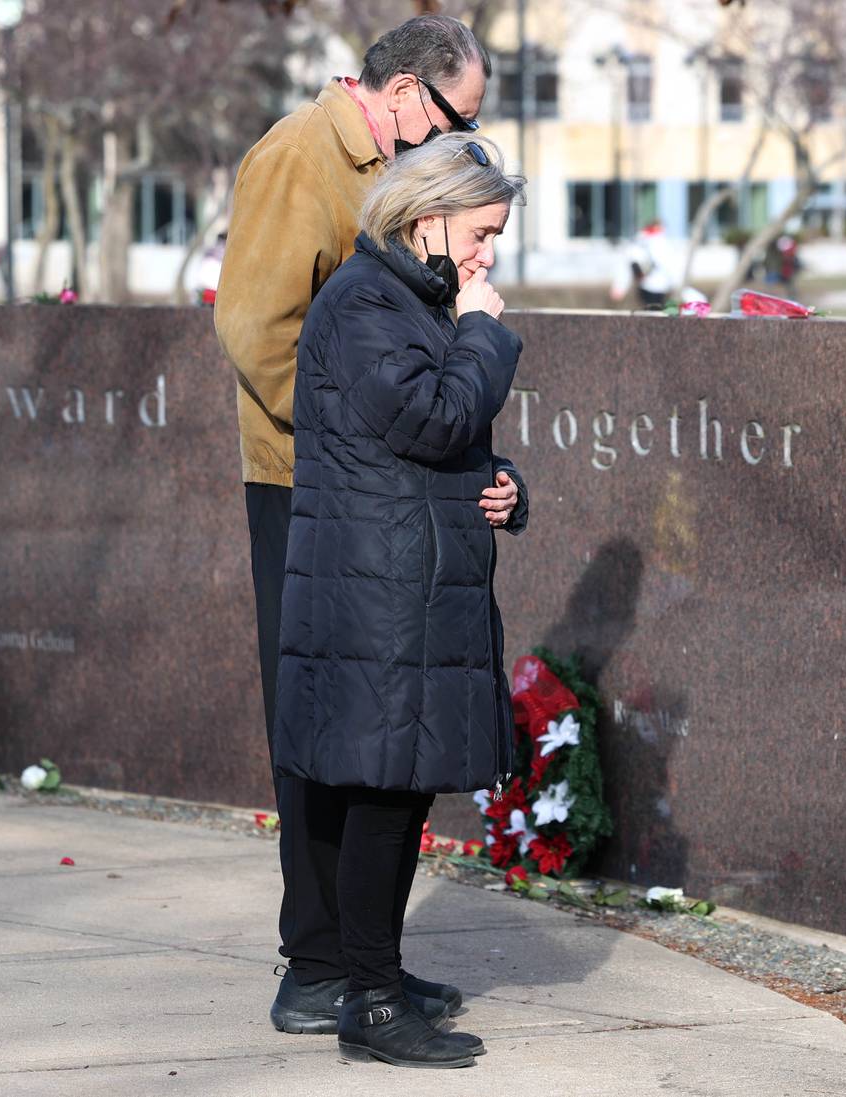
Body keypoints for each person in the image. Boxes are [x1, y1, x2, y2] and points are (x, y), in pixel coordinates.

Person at [213, 14, 527, 1044]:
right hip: (313, 481)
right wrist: (361, 449)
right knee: (328, 731)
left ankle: (358, 962)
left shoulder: (396, 180)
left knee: (368, 736)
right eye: (452, 120)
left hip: (379, 482)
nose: (453, 139)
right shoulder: (300, 154)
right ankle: (322, 965)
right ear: (402, 93)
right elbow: (255, 329)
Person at [277, 132, 527, 1068]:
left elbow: (429, 442)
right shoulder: (363, 302)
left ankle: (374, 971)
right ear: (427, 221)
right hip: (378, 594)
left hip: (398, 582)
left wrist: (502, 482)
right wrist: (482, 331)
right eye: (479, 232)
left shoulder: (404, 298)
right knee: (383, 793)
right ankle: (372, 1000)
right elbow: (432, 417)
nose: (487, 255)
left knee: (394, 790)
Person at [609, 219, 672, 308]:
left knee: (653, 312)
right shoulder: (658, 242)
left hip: (649, 284)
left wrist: (620, 287)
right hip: (656, 285)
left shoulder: (640, 240)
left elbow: (628, 264)